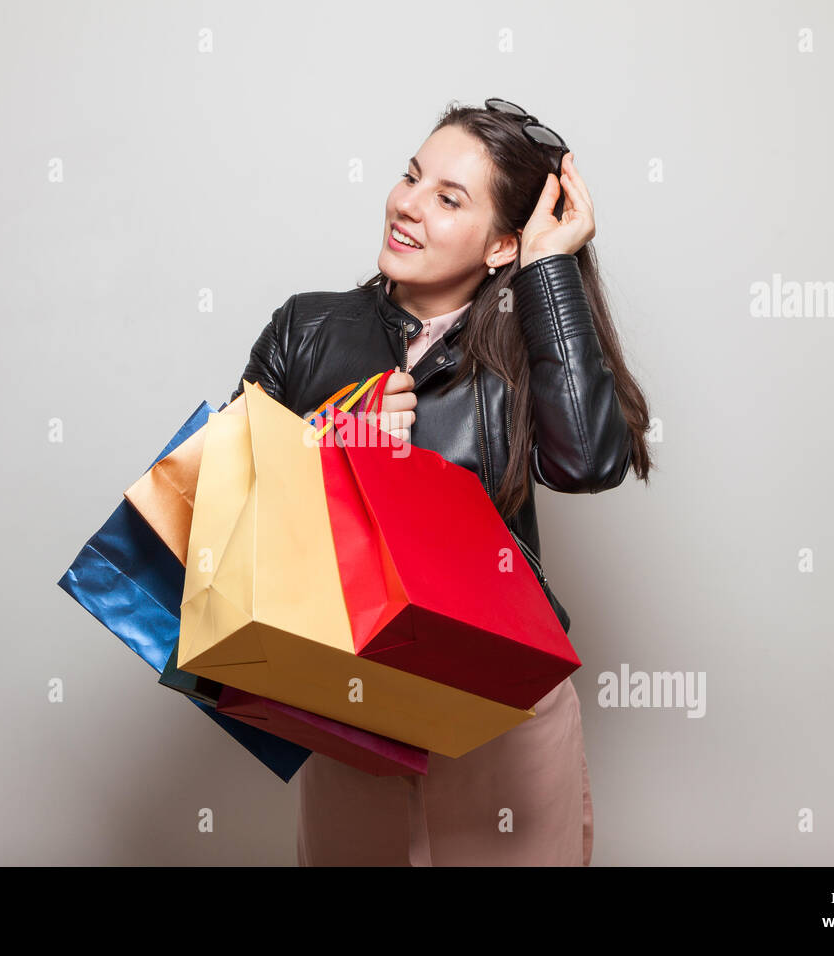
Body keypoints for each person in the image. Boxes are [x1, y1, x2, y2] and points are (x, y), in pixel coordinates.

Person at [228, 99, 654, 865]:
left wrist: (548, 269)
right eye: (411, 177)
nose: (407, 205)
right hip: (348, 692)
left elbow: (589, 461)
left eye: (448, 199)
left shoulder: (529, 341)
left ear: (500, 245)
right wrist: (332, 443)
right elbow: (220, 503)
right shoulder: (307, 328)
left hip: (500, 703)